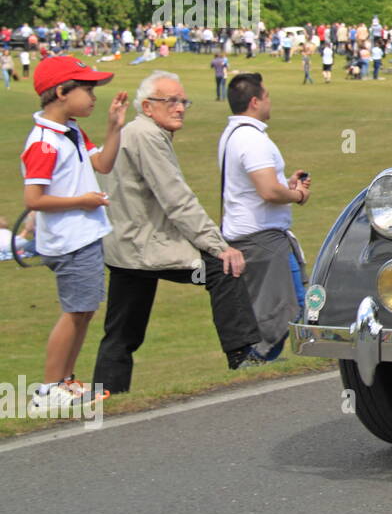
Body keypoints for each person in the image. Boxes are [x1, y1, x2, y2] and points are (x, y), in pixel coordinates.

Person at [92, 72, 265, 392]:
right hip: (144, 246)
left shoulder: (137, 132)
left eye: (183, 101)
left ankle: (107, 395)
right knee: (223, 268)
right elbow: (177, 200)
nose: (180, 108)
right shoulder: (146, 135)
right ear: (146, 106)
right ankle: (243, 356)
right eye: (171, 101)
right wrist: (219, 245)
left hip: (123, 248)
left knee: (122, 334)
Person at [20, 56, 129, 414]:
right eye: (88, 89)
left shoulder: (71, 130)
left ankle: (65, 381)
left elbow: (103, 164)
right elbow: (33, 198)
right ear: (62, 92)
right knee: (75, 311)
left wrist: (115, 127)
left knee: (84, 311)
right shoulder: (44, 142)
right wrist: (82, 200)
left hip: (83, 235)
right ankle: (50, 386)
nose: (94, 97)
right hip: (69, 239)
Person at [218, 73, 311, 360]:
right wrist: (297, 195)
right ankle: (256, 362)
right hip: (262, 238)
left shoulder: (234, 134)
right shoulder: (251, 138)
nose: (270, 101)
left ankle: (260, 361)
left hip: (252, 234)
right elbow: (269, 191)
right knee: (285, 310)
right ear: (255, 101)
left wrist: (288, 184)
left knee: (285, 307)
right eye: (267, 96)